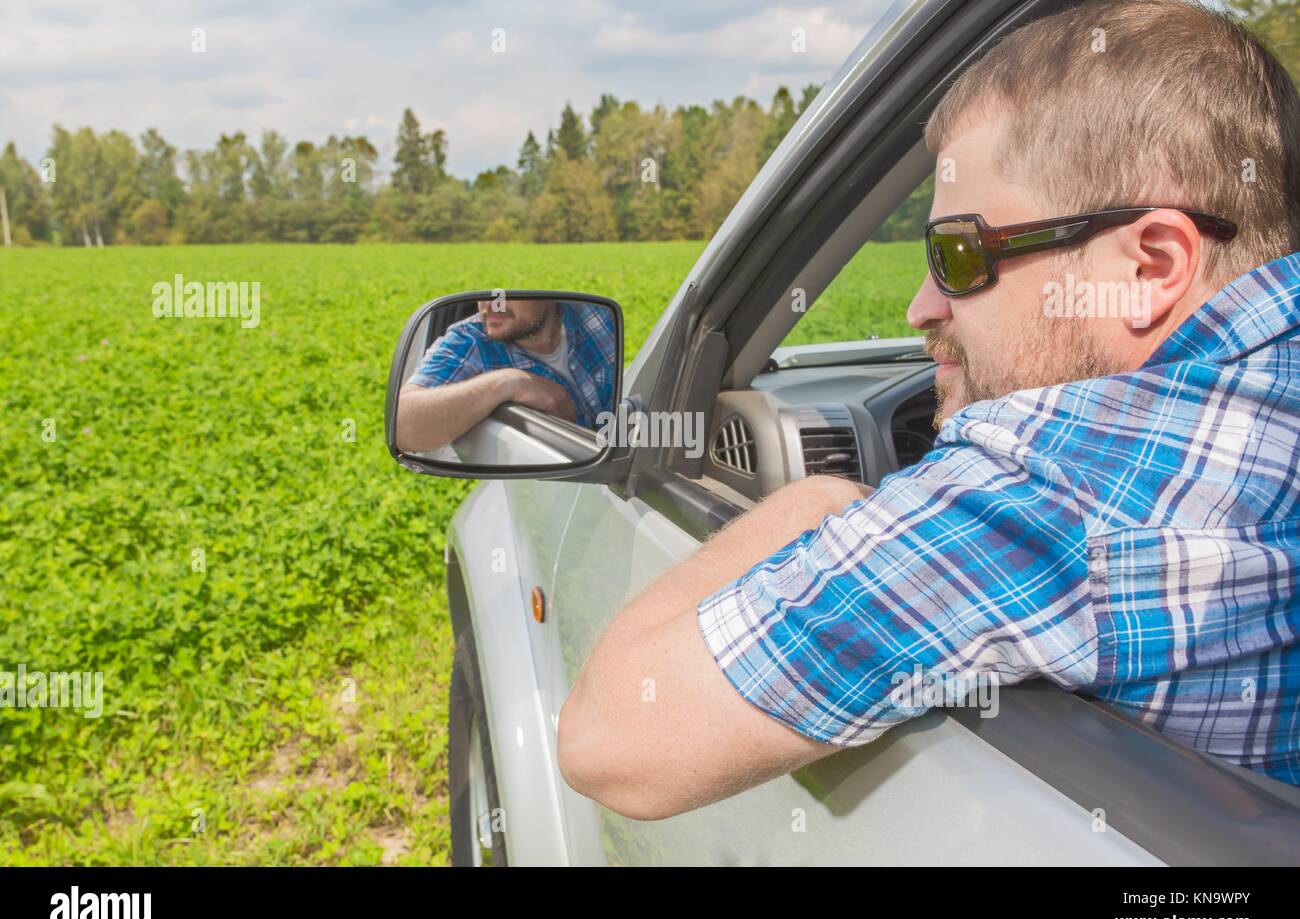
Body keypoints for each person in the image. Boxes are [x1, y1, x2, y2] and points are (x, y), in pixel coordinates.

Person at [557, 0, 1300, 820]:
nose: (920, 307)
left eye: (957, 255)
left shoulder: (1050, 488)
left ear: (1150, 264)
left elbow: (611, 743)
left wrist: (821, 502)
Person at [395, 297, 616, 451]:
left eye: (508, 290)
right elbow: (401, 426)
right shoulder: (470, 343)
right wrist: (508, 383)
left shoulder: (595, 313)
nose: (492, 304)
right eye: (485, 289)